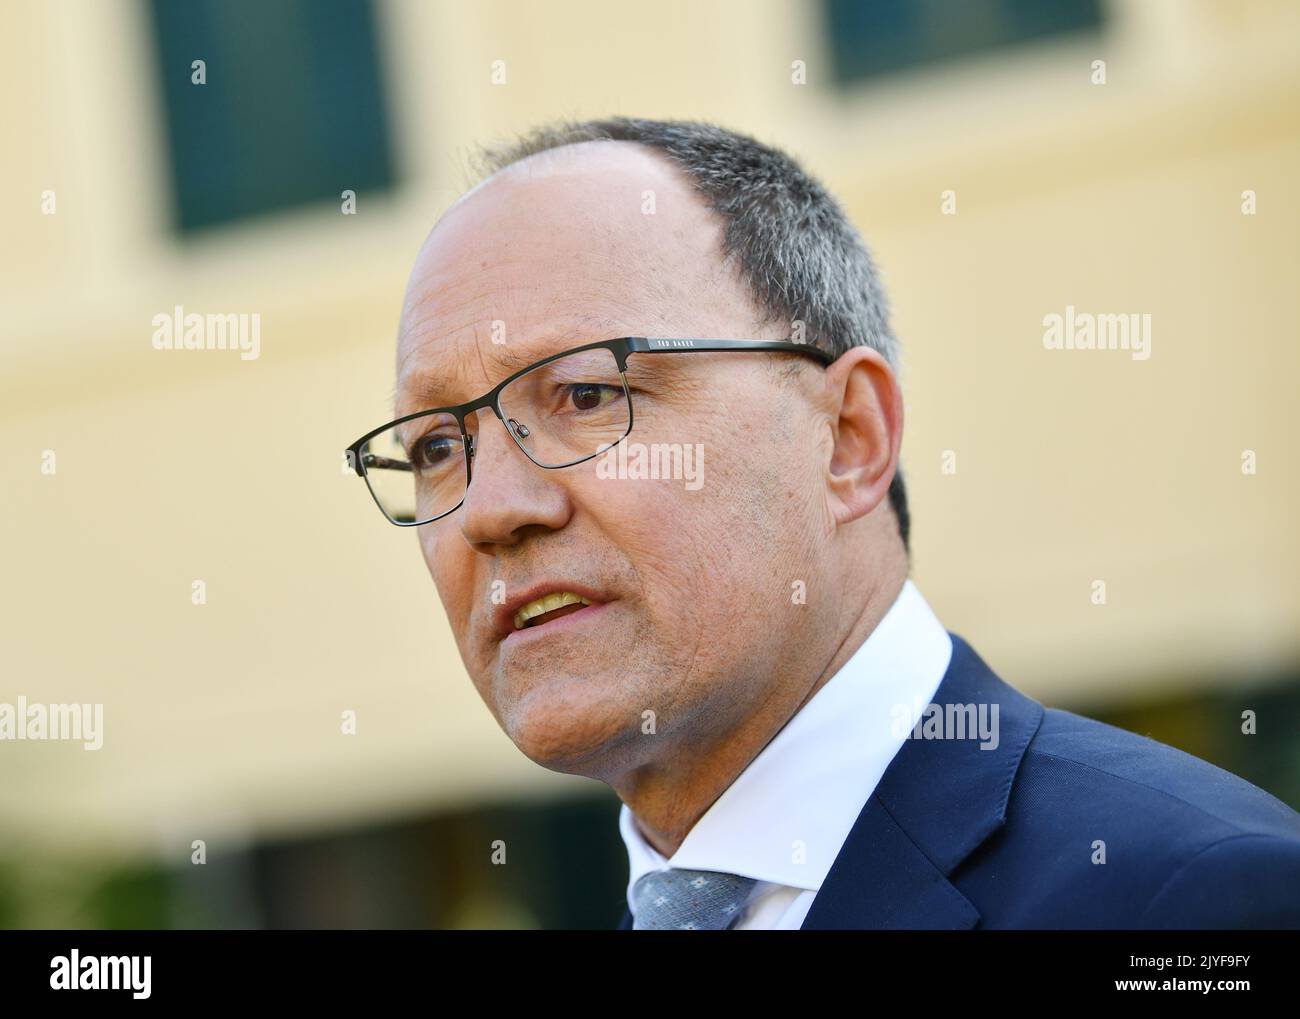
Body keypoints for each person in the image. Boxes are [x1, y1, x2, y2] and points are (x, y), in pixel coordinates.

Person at [345, 117, 1300, 929]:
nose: (494, 508)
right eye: (435, 448)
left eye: (589, 394)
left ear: (847, 437)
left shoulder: (1192, 899)